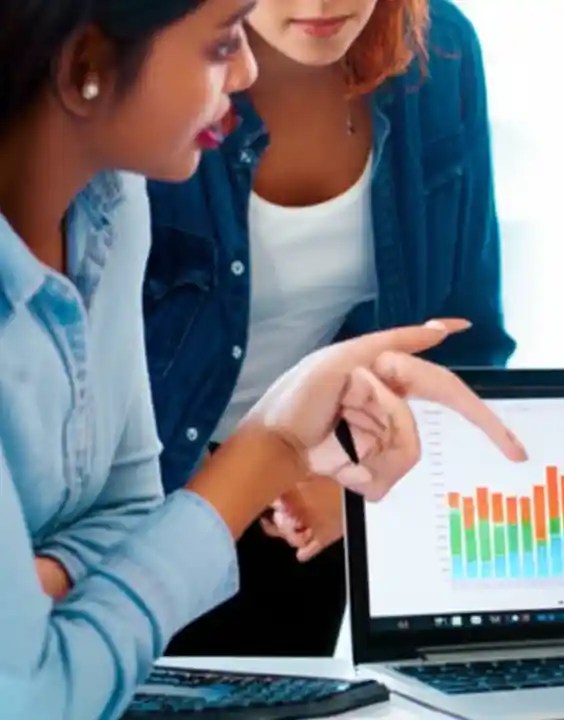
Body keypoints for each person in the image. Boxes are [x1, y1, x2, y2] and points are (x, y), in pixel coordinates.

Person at [0, 1, 523, 717]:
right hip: (209, 497)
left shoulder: (112, 209)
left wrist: (50, 580)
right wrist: (268, 450)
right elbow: (36, 692)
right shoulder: (126, 155)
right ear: (87, 64)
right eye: (221, 45)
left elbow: (124, 510)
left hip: (279, 521)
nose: (242, 69)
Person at [144, 0, 513, 656]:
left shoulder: (441, 51)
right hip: (133, 523)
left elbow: (467, 339)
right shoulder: (144, 54)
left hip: (307, 520)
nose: (319, 6)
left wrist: (349, 474)